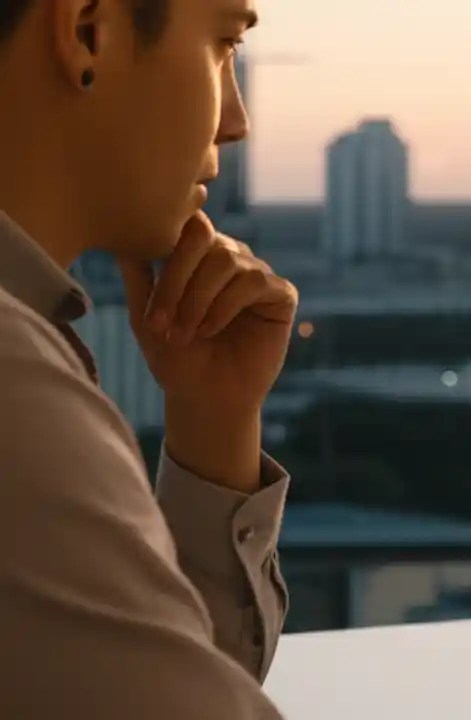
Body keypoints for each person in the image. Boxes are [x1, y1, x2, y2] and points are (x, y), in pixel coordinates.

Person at [0, 0, 293, 717]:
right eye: (223, 45)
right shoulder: (12, 382)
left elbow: (143, 684)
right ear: (88, 31)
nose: (236, 120)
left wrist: (213, 425)